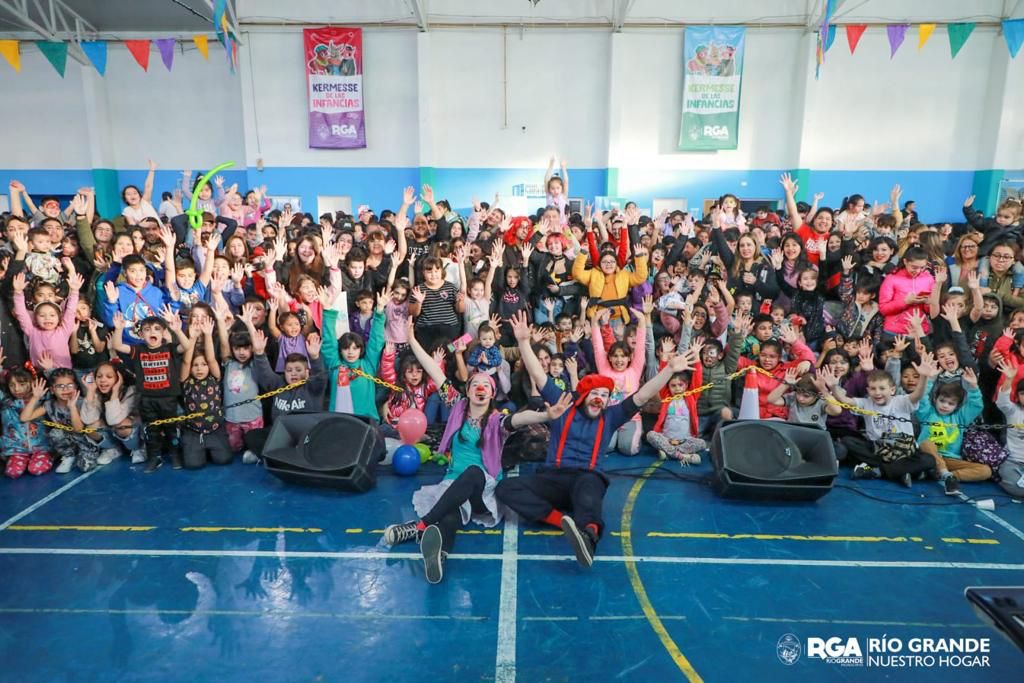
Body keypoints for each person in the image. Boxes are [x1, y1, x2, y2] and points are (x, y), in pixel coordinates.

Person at [495, 311, 698, 568]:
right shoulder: (563, 407)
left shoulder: (611, 417)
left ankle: (588, 537)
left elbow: (643, 395)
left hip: (585, 478)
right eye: (595, 393)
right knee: (506, 489)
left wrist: (669, 369)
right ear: (583, 395)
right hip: (553, 478)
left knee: (591, 489)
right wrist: (524, 342)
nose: (600, 398)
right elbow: (539, 376)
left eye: (605, 394)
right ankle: (561, 521)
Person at [383, 319, 573, 584]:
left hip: (483, 490)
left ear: (492, 392)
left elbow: (518, 419)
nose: (480, 389)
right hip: (453, 486)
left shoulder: (497, 420)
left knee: (473, 472)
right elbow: (434, 372)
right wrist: (412, 340)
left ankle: (420, 526)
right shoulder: (457, 407)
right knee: (449, 516)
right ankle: (440, 556)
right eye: (475, 385)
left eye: (486, 386)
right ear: (468, 391)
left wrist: (545, 414)